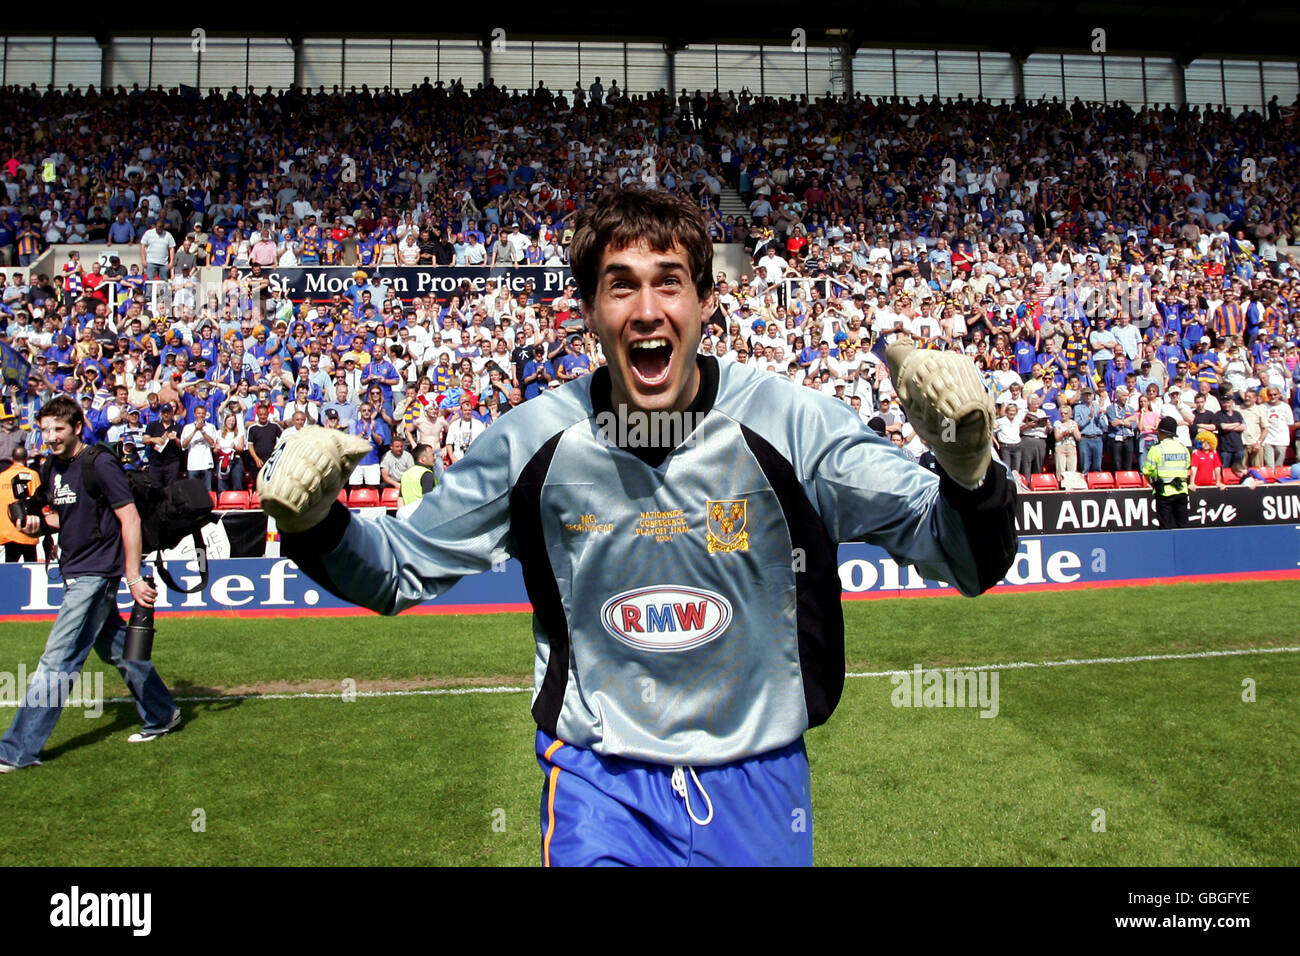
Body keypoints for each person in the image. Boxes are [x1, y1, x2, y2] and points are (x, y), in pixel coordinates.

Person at [257, 188, 1016, 866]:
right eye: (620, 287)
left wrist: (969, 471)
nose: (647, 309)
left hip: (761, 784)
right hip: (598, 782)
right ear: (589, 310)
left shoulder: (796, 426)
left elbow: (964, 558)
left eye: (669, 284)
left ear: (707, 302)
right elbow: (397, 570)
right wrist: (317, 520)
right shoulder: (534, 441)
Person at [0, 396, 180, 772]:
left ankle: (16, 751)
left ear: (78, 427)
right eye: (46, 429)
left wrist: (132, 577)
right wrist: (36, 524)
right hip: (74, 570)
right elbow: (68, 520)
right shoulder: (54, 466)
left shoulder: (99, 463)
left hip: (96, 575)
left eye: (58, 429)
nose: (50, 436)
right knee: (120, 650)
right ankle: (163, 713)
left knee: (56, 660)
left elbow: (128, 519)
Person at [1142, 415, 1192, 529]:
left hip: (1164, 493)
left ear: (1162, 433)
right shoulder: (1183, 448)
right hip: (1182, 491)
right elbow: (1187, 466)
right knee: (1182, 526)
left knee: (1165, 528)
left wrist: (1153, 483)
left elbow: (1147, 470)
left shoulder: (1157, 449)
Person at [0, 445, 41, 562]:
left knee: (10, 566)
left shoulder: (2, 477)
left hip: (7, 531)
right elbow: (38, 500)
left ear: (12, 458)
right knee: (31, 564)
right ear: (26, 458)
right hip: (27, 528)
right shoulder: (32, 475)